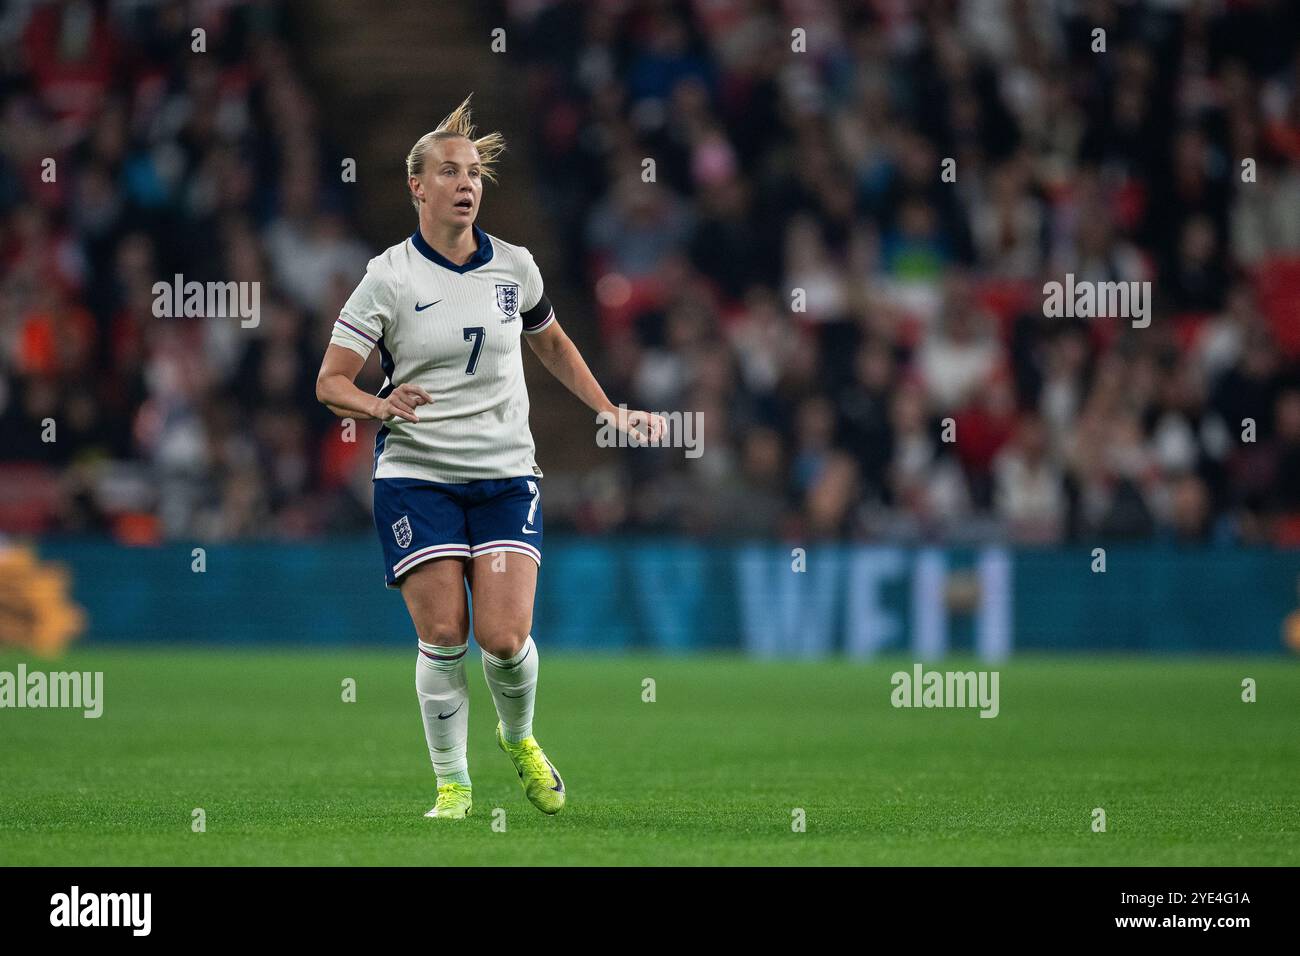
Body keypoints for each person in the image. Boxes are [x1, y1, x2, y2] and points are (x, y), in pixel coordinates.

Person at [315, 96, 665, 819]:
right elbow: (330, 383)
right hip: (417, 477)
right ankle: (452, 786)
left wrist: (609, 410)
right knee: (444, 634)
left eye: (474, 171)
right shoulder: (389, 277)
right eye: (449, 170)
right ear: (419, 187)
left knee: (504, 641)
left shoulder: (516, 268)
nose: (466, 182)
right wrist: (380, 406)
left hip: (505, 474)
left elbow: (554, 344)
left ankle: (520, 740)